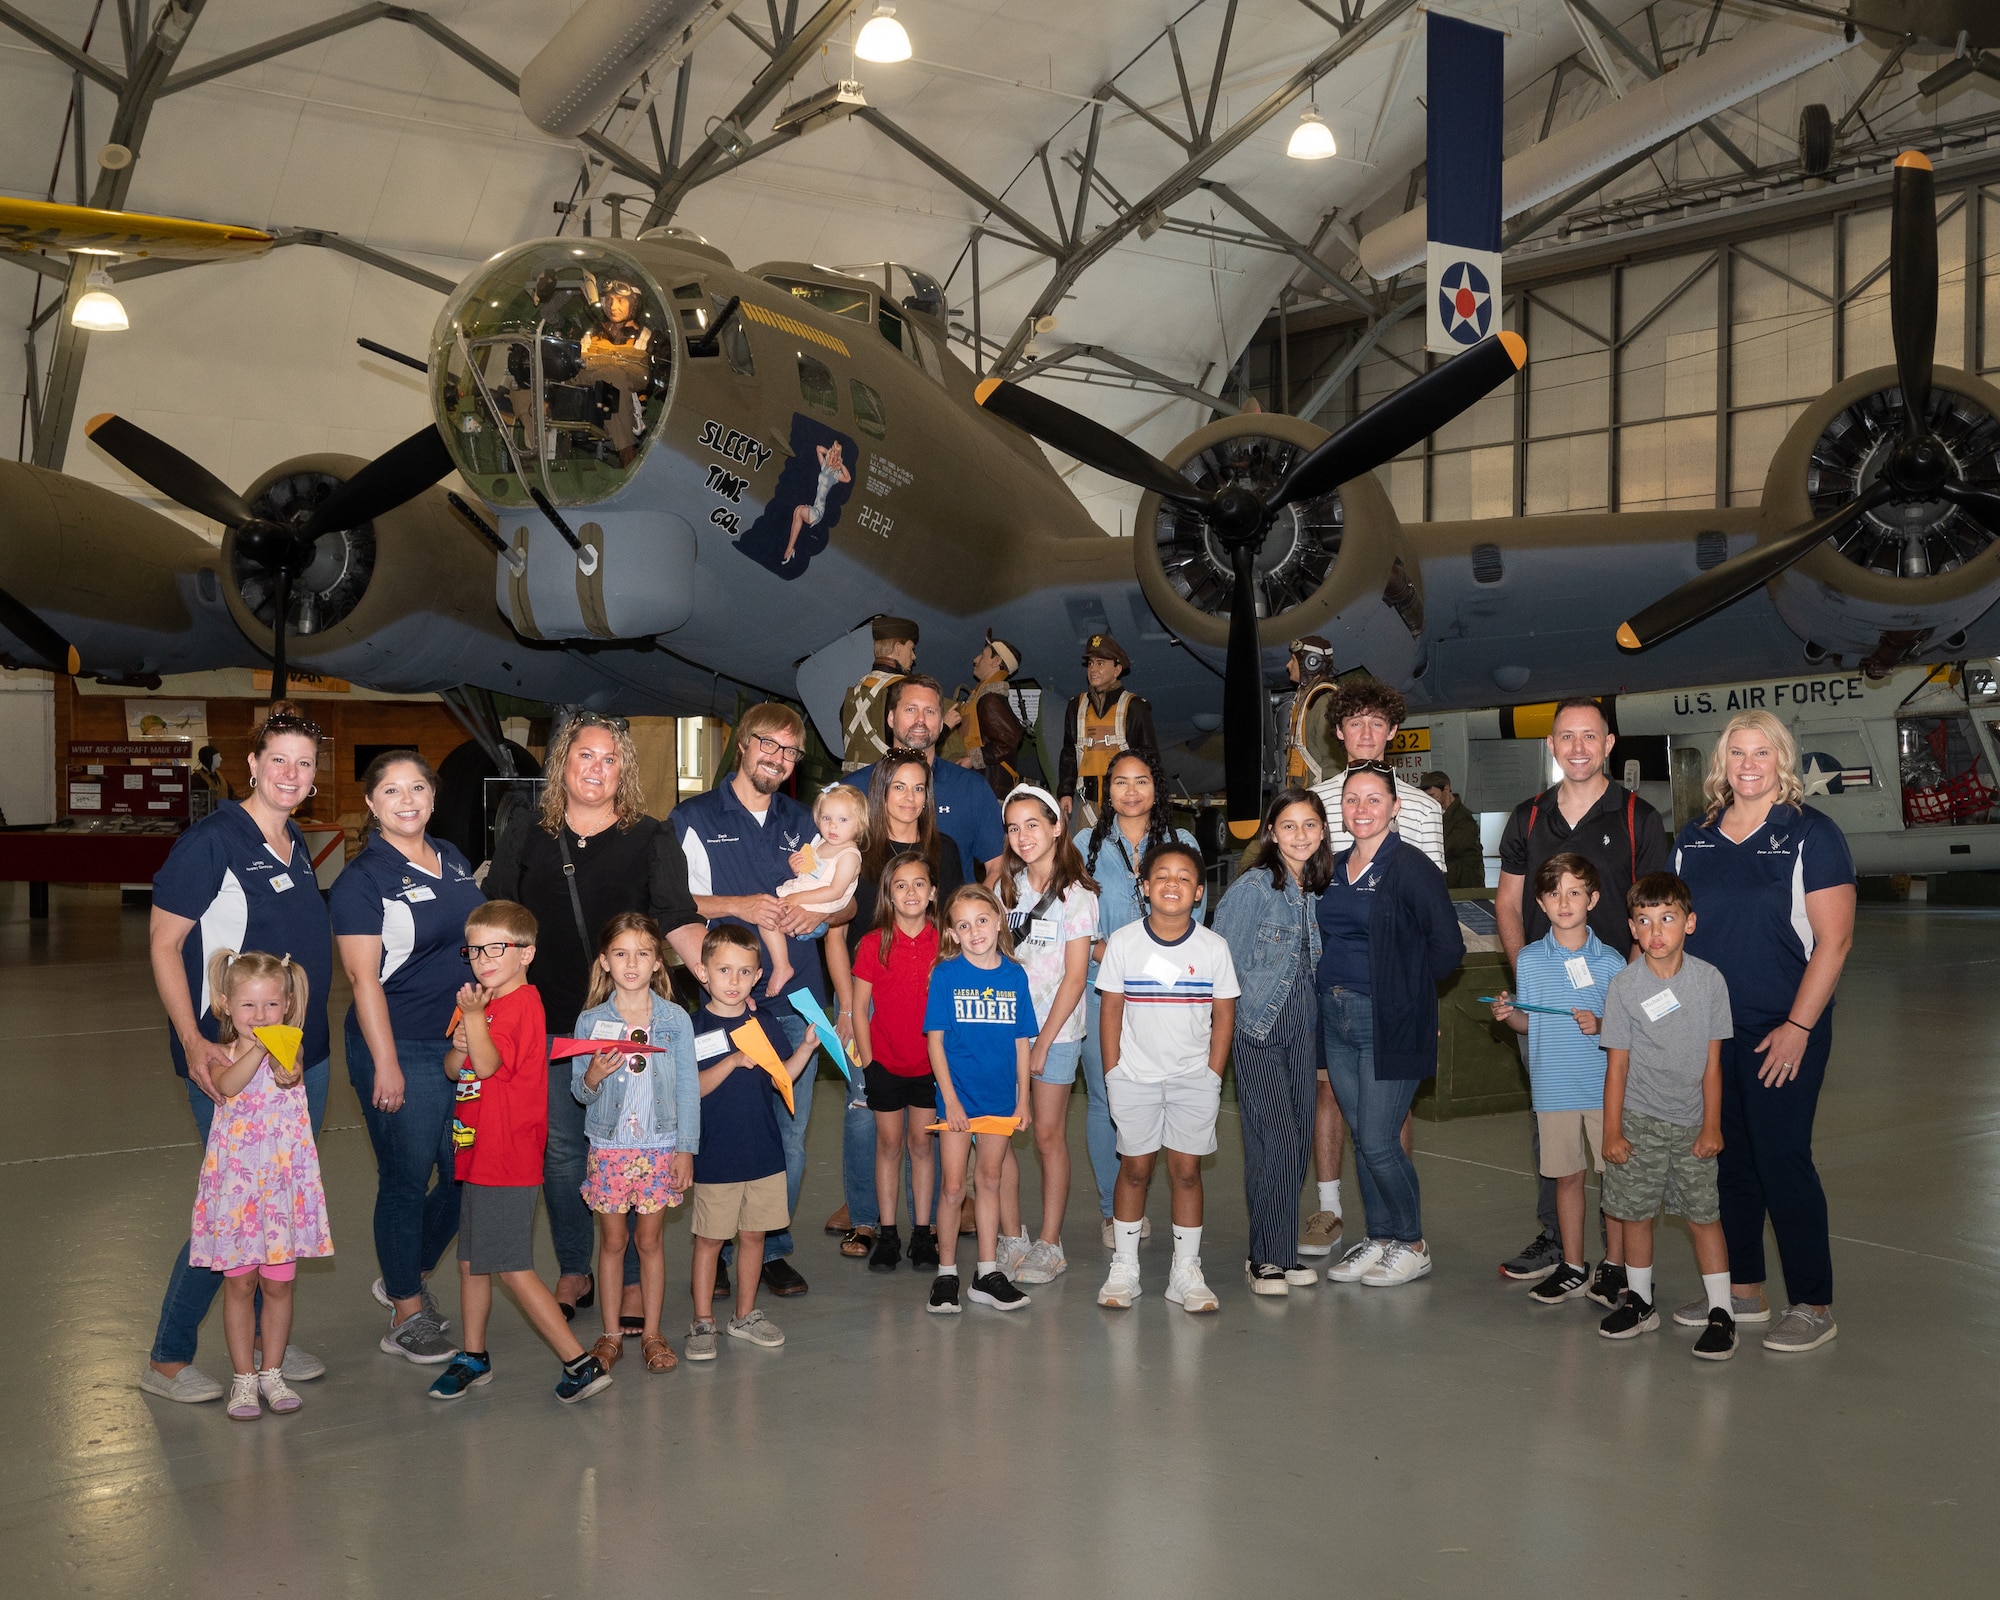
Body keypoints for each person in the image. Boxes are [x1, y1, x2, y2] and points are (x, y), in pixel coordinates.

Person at [484, 711, 706, 1330]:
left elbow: (677, 916)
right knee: (563, 1151)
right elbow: (497, 919)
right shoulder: (527, 831)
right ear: (563, 762)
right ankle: (577, 1266)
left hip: (628, 1023)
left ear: (624, 771)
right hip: (549, 1021)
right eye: (586, 755)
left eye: (610, 759)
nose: (597, 769)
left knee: (636, 1146)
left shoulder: (650, 837)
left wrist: (714, 974)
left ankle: (632, 1278)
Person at [143, 701, 334, 1405]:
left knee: (274, 1210)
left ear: (315, 778)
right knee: (231, 1215)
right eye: (276, 760)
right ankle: (166, 1356)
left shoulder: (295, 842)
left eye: (303, 764)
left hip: (297, 1063)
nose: (289, 774)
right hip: (231, 1064)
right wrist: (194, 1039)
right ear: (251, 765)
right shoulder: (214, 841)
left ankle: (262, 1347)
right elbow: (165, 943)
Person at [1672, 710, 1855, 1354]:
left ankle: (1812, 1303)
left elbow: (1834, 942)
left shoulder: (1813, 834)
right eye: (1737, 754)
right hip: (1711, 1033)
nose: (1748, 765)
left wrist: (1799, 1026)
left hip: (1783, 1028)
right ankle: (1742, 1292)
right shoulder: (1693, 838)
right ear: (1721, 764)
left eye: (1762, 753)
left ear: (1783, 761)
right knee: (1728, 1162)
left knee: (1783, 1161)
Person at [1493, 697, 1670, 1285]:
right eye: (1566, 737)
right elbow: (1508, 902)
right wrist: (1529, 980)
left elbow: (1654, 911)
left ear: (1609, 744)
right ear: (1552, 746)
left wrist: (1627, 1001)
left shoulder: (1636, 817)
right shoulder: (1528, 816)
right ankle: (1559, 1243)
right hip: (1544, 1002)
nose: (1577, 748)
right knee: (1554, 1121)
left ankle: (1619, 1258)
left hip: (1616, 1005)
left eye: (1589, 737)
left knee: (1615, 1134)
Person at [426, 901, 613, 1405]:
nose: (483, 959)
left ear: (526, 954)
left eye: (496, 948)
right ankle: (473, 1354)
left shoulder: (523, 1005)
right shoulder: (482, 1003)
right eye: (475, 950)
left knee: (510, 1265)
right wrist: (464, 1034)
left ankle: (580, 1363)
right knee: (471, 1261)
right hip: (476, 1147)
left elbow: (487, 1067)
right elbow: (456, 1068)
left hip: (506, 1155)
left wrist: (472, 1023)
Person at [332, 750, 483, 1366]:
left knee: (463, 1173)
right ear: (372, 804)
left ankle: (405, 1270)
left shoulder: (453, 858)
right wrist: (386, 1063)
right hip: (398, 1043)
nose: (408, 800)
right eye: (392, 791)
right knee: (405, 1176)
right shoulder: (361, 880)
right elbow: (362, 980)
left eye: (417, 787)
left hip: (458, 1043)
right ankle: (407, 1312)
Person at [676, 702, 830, 1299]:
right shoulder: (693, 817)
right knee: (718, 1125)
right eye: (769, 744)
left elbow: (838, 900)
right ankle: (715, 1248)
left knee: (786, 1134)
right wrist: (739, 905)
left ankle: (769, 1250)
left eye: (790, 751)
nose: (779, 758)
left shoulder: (805, 821)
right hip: (726, 1005)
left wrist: (812, 911)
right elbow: (678, 901)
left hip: (794, 1003)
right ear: (742, 744)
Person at [1302, 681, 1445, 1258]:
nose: (1365, 732)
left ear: (1392, 732)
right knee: (1334, 1097)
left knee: (1388, 1115)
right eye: (1353, 723)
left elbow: (1432, 915)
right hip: (1328, 983)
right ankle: (1334, 1212)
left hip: (1389, 992)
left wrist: (1414, 998)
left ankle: (1398, 1235)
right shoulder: (1312, 803)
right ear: (1337, 734)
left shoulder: (1423, 810)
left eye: (1375, 723)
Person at [1318, 765, 1462, 1288]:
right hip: (1335, 1018)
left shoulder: (1411, 867)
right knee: (1362, 1135)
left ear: (1395, 807)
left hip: (1388, 1019)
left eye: (1374, 799)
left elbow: (1448, 948)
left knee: (1380, 1139)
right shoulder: (1333, 867)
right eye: (1352, 799)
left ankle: (1413, 1241)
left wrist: (1407, 995)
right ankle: (1379, 1237)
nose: (1361, 809)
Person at [821, 750, 966, 1252]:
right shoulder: (856, 850)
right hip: (870, 1005)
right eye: (899, 787)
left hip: (926, 1012)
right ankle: (867, 1221)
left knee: (922, 1131)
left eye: (919, 788)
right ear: (881, 791)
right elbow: (835, 934)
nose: (909, 797)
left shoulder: (943, 849)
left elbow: (955, 929)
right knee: (866, 1117)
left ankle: (924, 1224)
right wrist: (845, 1007)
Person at [1596, 873, 1738, 1359]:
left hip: (1693, 1123)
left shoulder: (1710, 982)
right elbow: (1617, 1066)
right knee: (1634, 1214)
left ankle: (1722, 1312)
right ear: (1632, 929)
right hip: (1638, 1121)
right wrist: (1612, 1130)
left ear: (1689, 923)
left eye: (1667, 918)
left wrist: (1712, 1125)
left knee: (1703, 1216)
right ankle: (1639, 1301)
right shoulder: (1623, 987)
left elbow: (1713, 1065)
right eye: (1644, 920)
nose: (1656, 931)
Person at [1093, 842, 1239, 1313]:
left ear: (1199, 892)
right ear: (1144, 887)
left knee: (1188, 1173)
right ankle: (1126, 1267)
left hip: (1193, 1082)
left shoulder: (1214, 948)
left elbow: (1224, 1016)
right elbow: (1111, 1010)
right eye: (1161, 875)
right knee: (1134, 1169)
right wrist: (1114, 1072)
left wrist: (1212, 1076)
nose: (1171, 883)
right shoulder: (1124, 943)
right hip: (1134, 1079)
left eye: (1183, 877)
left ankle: (1185, 1271)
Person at [189, 951, 332, 1421]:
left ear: (288, 1005)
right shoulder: (224, 1053)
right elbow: (228, 1085)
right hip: (238, 1192)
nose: (261, 1016)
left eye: (271, 1006)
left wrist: (280, 1057)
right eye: (249, 1007)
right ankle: (243, 1378)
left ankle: (272, 1370)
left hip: (280, 1189)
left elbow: (289, 1076)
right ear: (226, 1005)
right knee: (238, 1285)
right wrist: (256, 1047)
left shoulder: (290, 1046)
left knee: (278, 1288)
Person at [1489, 854, 1628, 1309]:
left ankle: (1616, 1265)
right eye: (1554, 894)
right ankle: (1573, 1265)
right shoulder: (1529, 960)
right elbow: (1532, 1024)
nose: (1564, 902)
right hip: (1553, 1090)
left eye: (1574, 892)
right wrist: (1511, 1017)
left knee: (1615, 1183)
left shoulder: (1610, 961)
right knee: (1567, 1179)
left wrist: (1601, 1024)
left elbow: (1626, 1031)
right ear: (1541, 903)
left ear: (1593, 898)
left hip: (1603, 1090)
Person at [684, 924, 821, 1360]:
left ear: (758, 975)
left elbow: (783, 1076)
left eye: (745, 972)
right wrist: (733, 1061)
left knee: (754, 1237)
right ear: (703, 973)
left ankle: (744, 1314)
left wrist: (806, 1049)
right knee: (709, 1240)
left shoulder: (762, 1022)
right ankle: (702, 1321)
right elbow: (692, 1090)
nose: (734, 980)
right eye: (724, 970)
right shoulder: (693, 1026)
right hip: (716, 1156)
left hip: (763, 1153)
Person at [1077, 749, 1197, 1246]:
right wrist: (1101, 951)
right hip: (1096, 985)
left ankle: (1165, 1203)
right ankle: (1113, 1210)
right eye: (1120, 782)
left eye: (1141, 781)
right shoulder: (1084, 841)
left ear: (1156, 787)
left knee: (1165, 1099)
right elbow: (1069, 911)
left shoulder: (1181, 841)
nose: (1130, 791)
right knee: (1107, 1096)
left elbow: (1195, 914)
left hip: (1163, 993)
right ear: (1108, 792)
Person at [572, 914, 699, 1378]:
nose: (632, 963)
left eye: (643, 953)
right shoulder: (591, 1021)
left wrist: (686, 1148)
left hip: (660, 1145)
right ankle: (609, 1334)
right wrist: (593, 1075)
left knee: (650, 1242)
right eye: (621, 953)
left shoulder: (675, 1019)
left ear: (657, 963)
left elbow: (688, 1086)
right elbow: (578, 1092)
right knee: (612, 1241)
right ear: (605, 962)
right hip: (609, 1148)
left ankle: (651, 1332)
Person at [1213, 789, 1329, 1295]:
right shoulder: (1255, 889)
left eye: (1310, 825)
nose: (1300, 835)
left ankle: (1277, 1250)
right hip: (1257, 1028)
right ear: (1271, 834)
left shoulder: (1321, 891)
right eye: (1289, 826)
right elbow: (1224, 967)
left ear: (1323, 832)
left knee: (1296, 1138)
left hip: (1305, 1027)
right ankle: (1266, 1259)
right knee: (1274, 1137)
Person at [992, 784, 1099, 1286]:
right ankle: (1012, 1233)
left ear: (1058, 826)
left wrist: (1039, 1044)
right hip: (1002, 1031)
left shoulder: (1078, 896)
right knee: (999, 1133)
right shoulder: (1005, 888)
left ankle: (1050, 1243)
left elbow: (1075, 979)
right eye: (1013, 827)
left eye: (1033, 824)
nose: (1022, 836)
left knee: (1047, 1134)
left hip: (1053, 1035)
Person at [924, 884, 1038, 1314]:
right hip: (958, 1099)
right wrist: (950, 1101)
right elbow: (935, 1043)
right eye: (964, 925)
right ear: (953, 933)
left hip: (999, 1100)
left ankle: (987, 1273)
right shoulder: (947, 975)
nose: (975, 932)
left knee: (989, 1180)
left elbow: (1022, 1042)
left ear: (998, 920)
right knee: (954, 1186)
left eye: (982, 921)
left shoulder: (1014, 974)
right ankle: (947, 1272)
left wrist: (1022, 1101)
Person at [849, 852, 944, 1273]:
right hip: (885, 1064)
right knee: (888, 1146)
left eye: (919, 884)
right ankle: (888, 1233)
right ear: (889, 893)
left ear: (933, 893)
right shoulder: (873, 943)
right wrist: (869, 1065)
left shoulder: (946, 943)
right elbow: (859, 1007)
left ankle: (923, 1234)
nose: (910, 892)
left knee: (922, 1147)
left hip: (930, 1067)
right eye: (901, 885)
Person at [851, 674, 1005, 881]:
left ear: (942, 723)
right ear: (890, 718)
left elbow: (998, 865)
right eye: (911, 709)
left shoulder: (971, 788)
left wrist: (980, 910)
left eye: (929, 711)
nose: (920, 720)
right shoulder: (854, 790)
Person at [761, 784, 867, 997]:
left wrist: (796, 898)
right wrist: (796, 866)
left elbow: (835, 891)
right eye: (826, 818)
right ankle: (782, 963)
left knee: (767, 917)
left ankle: (782, 966)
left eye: (842, 820)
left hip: (821, 905)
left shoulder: (849, 854)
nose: (833, 826)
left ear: (859, 824)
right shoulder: (820, 842)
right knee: (764, 914)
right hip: (806, 895)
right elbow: (809, 872)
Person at [1057, 633, 1158, 833]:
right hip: (1089, 803)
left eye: (1101, 663)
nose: (1093, 669)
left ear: (1117, 669)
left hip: (1127, 801)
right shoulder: (1076, 707)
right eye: (1091, 664)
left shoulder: (1135, 707)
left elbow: (1149, 757)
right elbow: (1069, 752)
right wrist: (1065, 792)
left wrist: (1151, 799)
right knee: (1085, 857)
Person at [578, 278, 654, 464]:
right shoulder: (593, 332)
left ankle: (627, 452)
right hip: (590, 385)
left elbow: (647, 377)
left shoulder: (647, 336)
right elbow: (579, 364)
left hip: (628, 391)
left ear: (634, 304)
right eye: (609, 300)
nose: (613, 306)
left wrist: (601, 362)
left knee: (613, 375)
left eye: (620, 301)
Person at [956, 629, 1035, 799]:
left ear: (996, 661)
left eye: (983, 655)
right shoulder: (984, 698)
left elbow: (1007, 742)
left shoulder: (990, 700)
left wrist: (972, 759)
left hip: (989, 789)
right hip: (984, 785)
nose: (975, 660)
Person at [841, 615, 919, 773]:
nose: (913, 657)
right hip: (882, 783)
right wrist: (945, 727)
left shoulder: (856, 689)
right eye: (911, 649)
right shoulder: (904, 689)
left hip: (850, 782)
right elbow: (914, 740)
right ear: (898, 648)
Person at [1280, 635, 1341, 788]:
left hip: (1321, 798)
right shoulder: (1306, 698)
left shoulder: (1324, 702)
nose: (1288, 665)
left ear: (1310, 662)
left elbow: (1334, 761)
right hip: (1306, 795)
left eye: (1293, 660)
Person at [1421, 770, 1485, 889]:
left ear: (1446, 789)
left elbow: (1445, 848)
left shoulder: (1464, 819)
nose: (1428, 801)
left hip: (1465, 885)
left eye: (1432, 796)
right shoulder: (1440, 814)